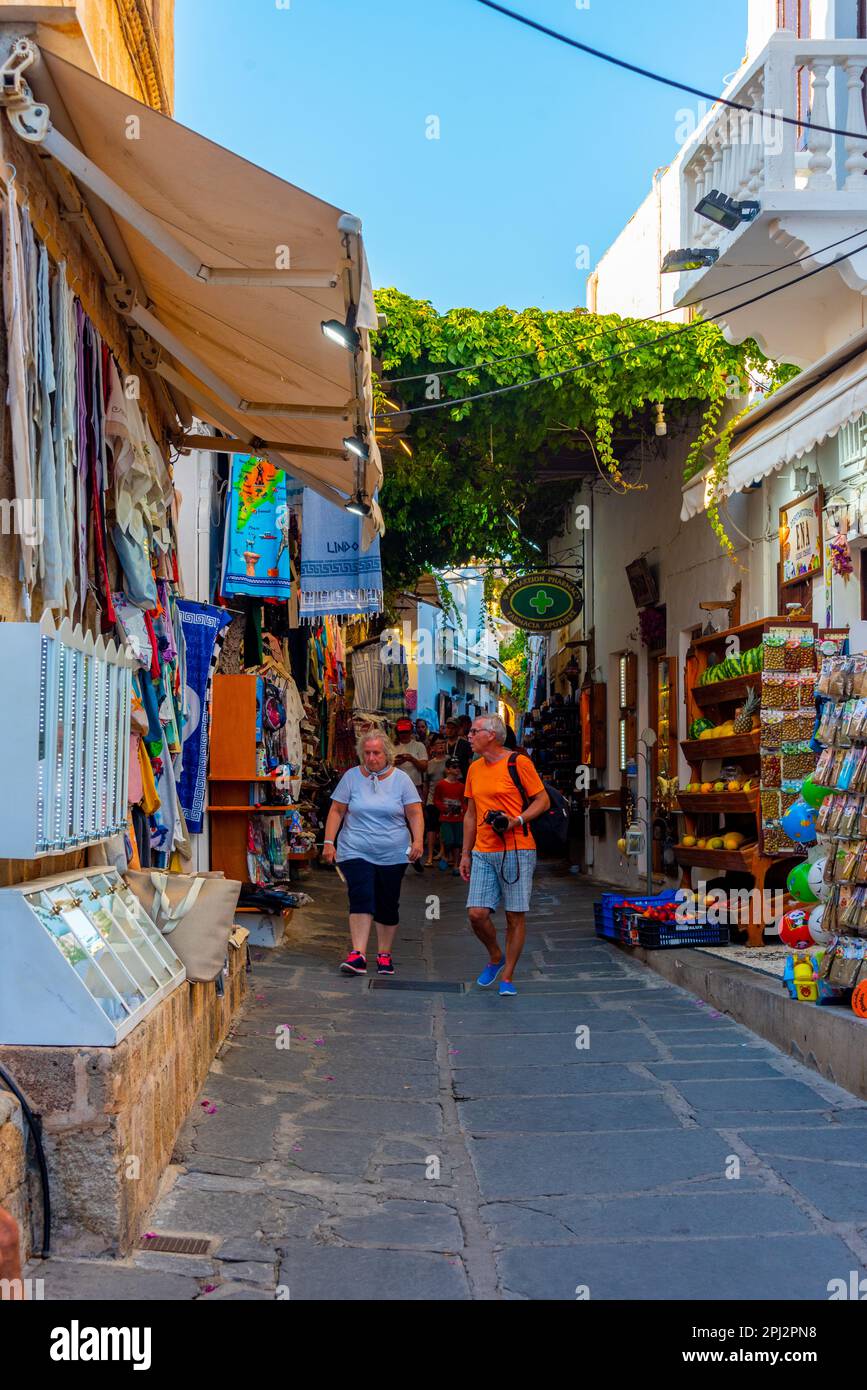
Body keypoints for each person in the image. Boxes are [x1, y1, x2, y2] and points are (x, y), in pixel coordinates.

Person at [460, 714, 550, 997]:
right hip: (484, 851)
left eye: (474, 732)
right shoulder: (474, 768)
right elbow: (471, 814)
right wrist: (465, 853)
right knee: (476, 913)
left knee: (514, 916)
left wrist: (518, 820)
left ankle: (508, 976)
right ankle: (495, 955)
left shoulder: (518, 763)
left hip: (517, 849)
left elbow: (543, 800)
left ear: (492, 735)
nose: (469, 736)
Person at [322, 731, 424, 976]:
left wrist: (418, 840)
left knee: (387, 903)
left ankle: (384, 954)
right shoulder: (351, 777)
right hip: (355, 848)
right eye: (367, 753)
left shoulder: (401, 780)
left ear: (386, 753)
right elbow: (337, 810)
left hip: (393, 852)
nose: (371, 758)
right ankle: (358, 954)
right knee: (362, 894)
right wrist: (328, 841)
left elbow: (414, 812)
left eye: (376, 753)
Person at [433, 757, 466, 874]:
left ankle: (456, 865)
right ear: (447, 769)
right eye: (454, 767)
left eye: (458, 766)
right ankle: (446, 856)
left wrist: (463, 811)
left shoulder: (461, 786)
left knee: (457, 842)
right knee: (448, 840)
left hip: (458, 818)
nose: (457, 769)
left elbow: (463, 801)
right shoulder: (441, 785)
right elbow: (436, 800)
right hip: (446, 818)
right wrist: (445, 808)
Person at [423, 736, 448, 865]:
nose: (441, 746)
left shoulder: (449, 761)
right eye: (438, 744)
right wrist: (425, 800)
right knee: (431, 828)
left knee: (443, 827)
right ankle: (430, 856)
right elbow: (426, 783)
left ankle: (443, 853)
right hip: (432, 800)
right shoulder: (430, 764)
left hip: (446, 801)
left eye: (443, 743)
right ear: (432, 747)